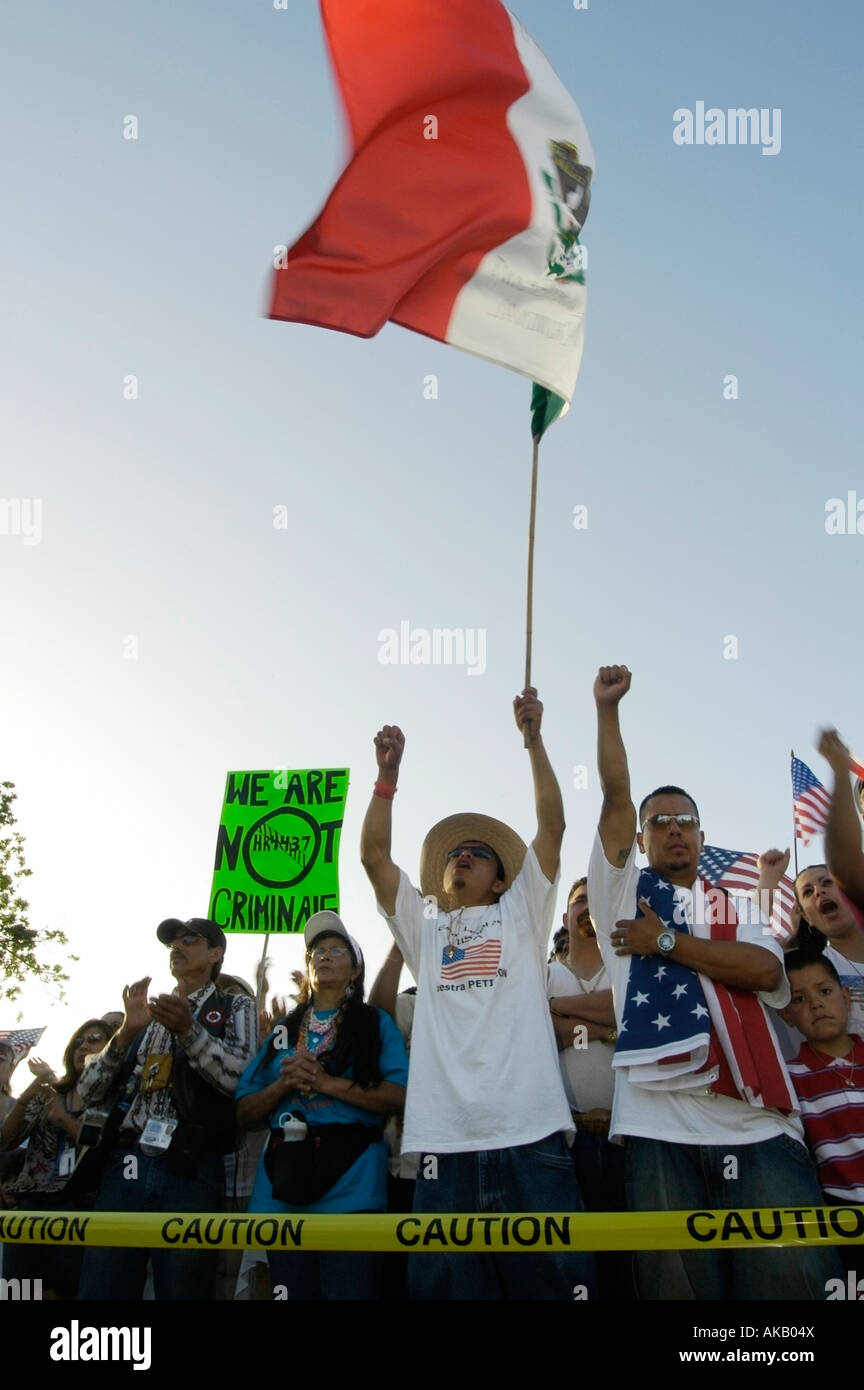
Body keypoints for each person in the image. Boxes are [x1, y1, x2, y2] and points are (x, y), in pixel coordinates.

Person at [588, 663, 843, 1300]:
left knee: (791, 1303)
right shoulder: (620, 895)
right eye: (660, 821)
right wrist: (607, 712)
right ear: (643, 839)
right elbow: (616, 797)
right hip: (658, 1129)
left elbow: (763, 971)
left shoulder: (734, 907)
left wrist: (666, 942)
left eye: (686, 820)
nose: (674, 828)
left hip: (755, 1125)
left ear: (701, 834)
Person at [361, 687, 593, 1302]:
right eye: (455, 855)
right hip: (442, 1146)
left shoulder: (522, 915)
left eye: (479, 854)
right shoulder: (424, 928)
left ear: (501, 881)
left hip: (532, 1136)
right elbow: (374, 857)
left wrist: (534, 740)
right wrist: (386, 780)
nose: (463, 857)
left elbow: (553, 826)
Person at [77, 917, 257, 1301]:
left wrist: (189, 1031)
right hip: (126, 1161)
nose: (178, 945)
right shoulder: (147, 1013)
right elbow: (89, 1090)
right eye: (173, 941)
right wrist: (126, 1031)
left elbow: (239, 1078)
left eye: (190, 939)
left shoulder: (235, 1005)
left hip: (191, 1165)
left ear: (215, 953)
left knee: (184, 1285)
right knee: (104, 1284)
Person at [236, 911, 408, 1301]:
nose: (324, 957)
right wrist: (283, 1083)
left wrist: (326, 1082)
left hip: (352, 1191)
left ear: (355, 970)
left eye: (337, 950)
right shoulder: (284, 1031)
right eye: (316, 952)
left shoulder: (375, 1024)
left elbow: (399, 1096)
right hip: (283, 1190)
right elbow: (245, 1113)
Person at [547, 878, 630, 1299]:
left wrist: (561, 1010)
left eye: (596, 900)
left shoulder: (626, 970)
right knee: (574, 1257)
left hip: (628, 1136)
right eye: (580, 900)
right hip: (565, 1140)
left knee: (628, 1259)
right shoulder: (545, 974)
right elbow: (541, 1031)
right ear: (565, 917)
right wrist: (608, 1028)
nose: (587, 907)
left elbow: (628, 1008)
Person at [0, 1019, 113, 1297]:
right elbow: (6, 1140)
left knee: (63, 1293)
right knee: (20, 1292)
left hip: (78, 1208)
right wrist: (34, 1090)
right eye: (78, 1041)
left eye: (95, 1039)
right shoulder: (50, 1092)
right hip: (30, 1206)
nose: (83, 1046)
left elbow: (97, 1150)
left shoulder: (109, 1097)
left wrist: (63, 1118)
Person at [781, 951, 864, 1204]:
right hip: (842, 1215)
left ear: (847, 997)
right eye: (798, 999)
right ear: (786, 1016)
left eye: (825, 991)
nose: (815, 1004)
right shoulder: (789, 1079)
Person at [794, 864, 864, 1038]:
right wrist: (768, 879)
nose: (819, 892)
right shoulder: (812, 972)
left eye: (827, 883)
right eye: (808, 892)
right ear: (806, 917)